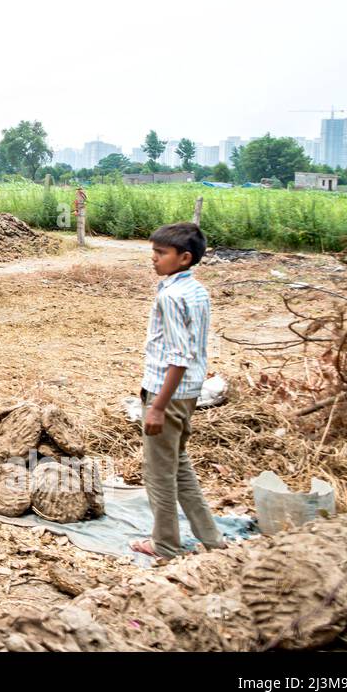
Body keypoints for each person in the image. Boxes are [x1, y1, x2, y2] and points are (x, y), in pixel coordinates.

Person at [130, 222, 225, 560]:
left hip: (165, 394)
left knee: (158, 474)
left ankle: (166, 545)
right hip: (187, 393)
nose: (153, 259)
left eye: (161, 253)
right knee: (179, 465)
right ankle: (212, 540)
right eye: (153, 252)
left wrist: (156, 407)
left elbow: (179, 355)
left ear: (184, 258)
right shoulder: (196, 290)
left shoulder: (171, 296)